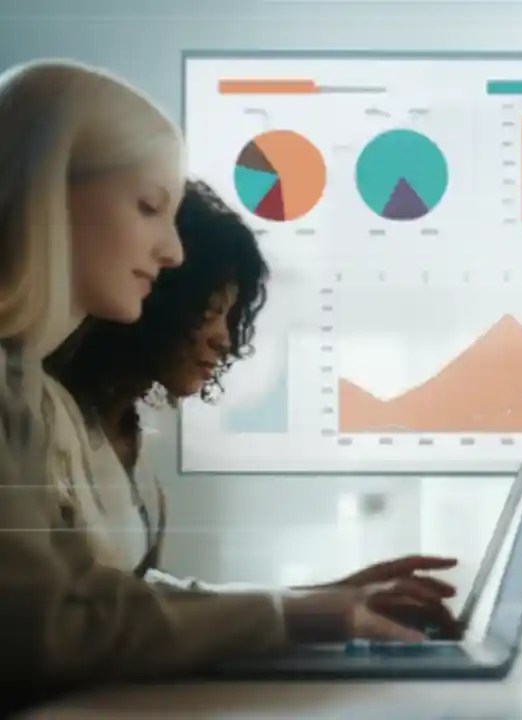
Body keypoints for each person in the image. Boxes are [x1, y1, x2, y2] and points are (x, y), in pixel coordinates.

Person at [0, 59, 444, 704]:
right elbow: (50, 626)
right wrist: (301, 614)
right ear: (47, 194)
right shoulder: (23, 401)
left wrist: (314, 602)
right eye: (149, 207)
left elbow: (102, 597)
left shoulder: (28, 394)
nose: (172, 252)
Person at [46, 178, 462, 634]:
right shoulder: (44, 423)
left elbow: (148, 601)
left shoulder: (129, 442)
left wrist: (328, 595)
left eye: (232, 314)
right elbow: (88, 621)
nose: (225, 339)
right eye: (211, 308)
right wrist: (317, 611)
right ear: (160, 294)